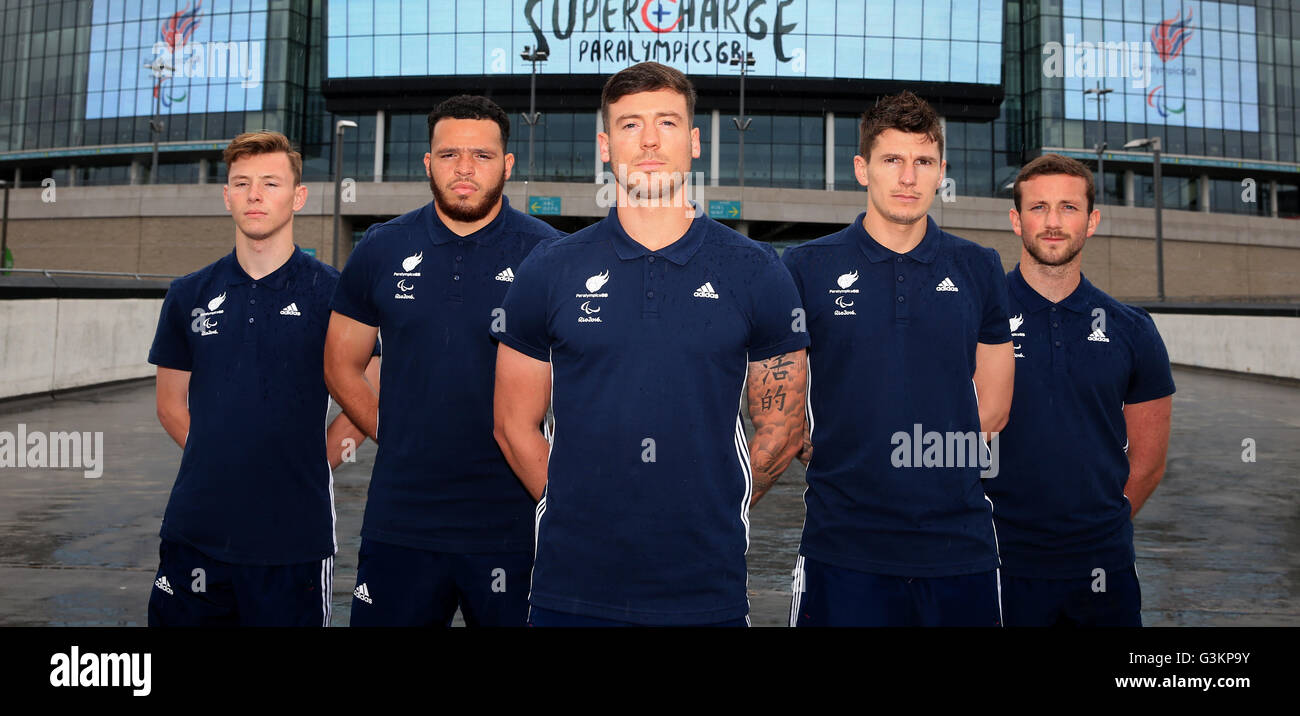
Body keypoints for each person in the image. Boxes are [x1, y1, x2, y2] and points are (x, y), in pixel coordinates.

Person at [492, 62, 809, 627]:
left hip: (705, 588)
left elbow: (783, 426)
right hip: (573, 588)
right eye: (630, 125)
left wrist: (718, 504)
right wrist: (566, 504)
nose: (649, 140)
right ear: (606, 145)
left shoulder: (756, 270)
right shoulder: (549, 268)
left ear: (693, 141)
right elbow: (513, 422)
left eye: (666, 122)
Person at [325, 94, 561, 627]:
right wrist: (395, 432)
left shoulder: (549, 255)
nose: (464, 169)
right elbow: (341, 364)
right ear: (428, 162)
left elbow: (580, 383)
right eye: (450, 154)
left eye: (481, 156)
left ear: (507, 165)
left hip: (515, 521)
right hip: (402, 519)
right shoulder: (382, 248)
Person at [782, 91, 1015, 627]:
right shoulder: (805, 268)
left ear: (941, 173)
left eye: (923, 162)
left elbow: (996, 405)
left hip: (960, 549)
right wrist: (850, 457)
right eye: (893, 160)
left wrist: (927, 461)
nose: (908, 177)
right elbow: (779, 400)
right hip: (842, 548)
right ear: (862, 169)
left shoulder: (979, 267)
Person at [147, 131, 374, 627]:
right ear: (226, 195)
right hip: (196, 532)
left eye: (270, 183)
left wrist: (315, 460)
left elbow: (370, 394)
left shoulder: (335, 294)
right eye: (242, 183)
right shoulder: (188, 294)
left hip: (292, 539)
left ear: (297, 197)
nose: (254, 195)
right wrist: (221, 459)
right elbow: (169, 404)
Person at [983, 154, 1173, 626]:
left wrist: (1098, 532)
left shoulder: (1133, 329)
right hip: (995, 564)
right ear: (1015, 220)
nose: (1052, 222)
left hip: (1101, 573)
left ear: (1092, 222)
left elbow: (1147, 464)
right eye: (1038, 207)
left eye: (1068, 208)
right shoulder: (974, 321)